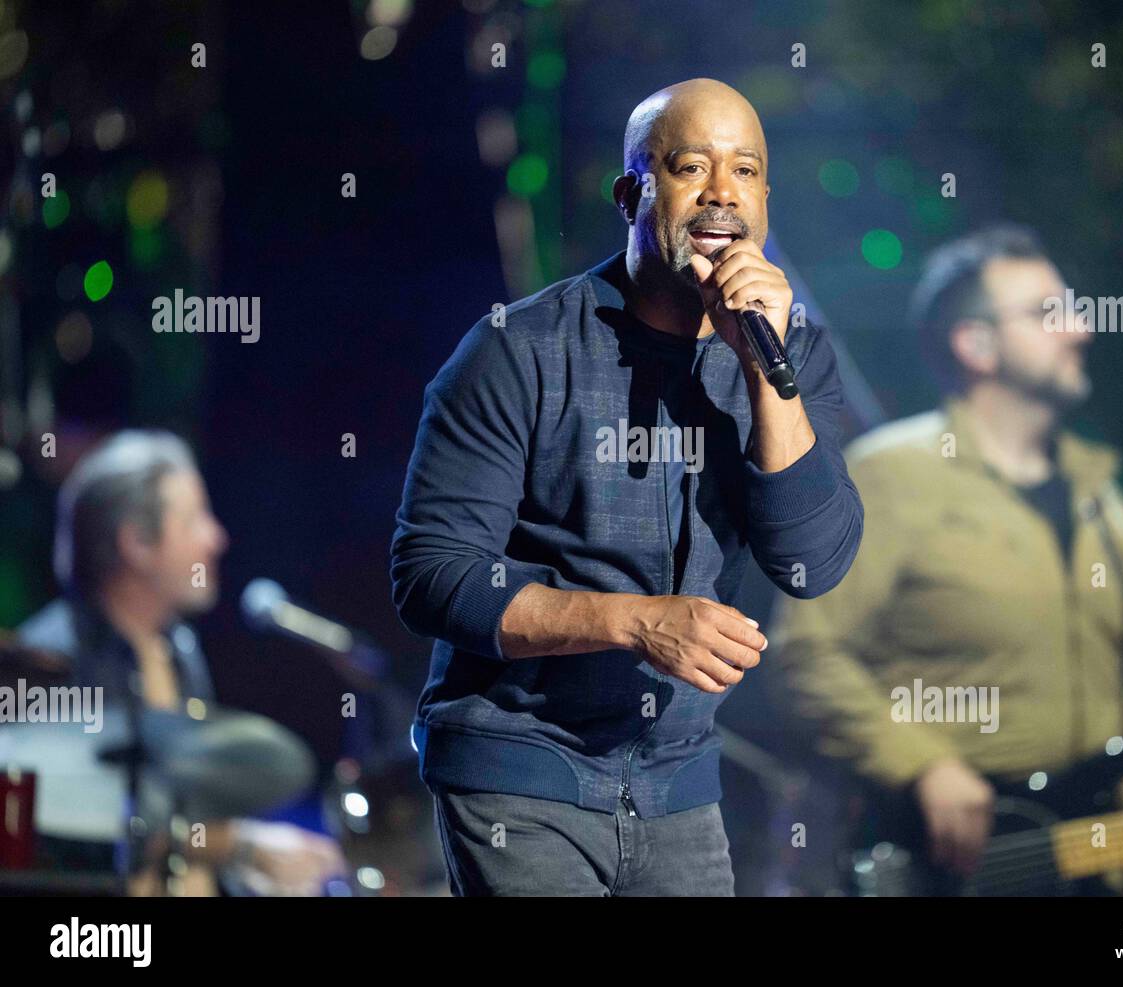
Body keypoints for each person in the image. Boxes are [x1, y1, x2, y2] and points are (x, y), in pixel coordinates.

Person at [391, 78, 864, 896]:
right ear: (631, 193)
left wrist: (764, 374)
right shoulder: (520, 351)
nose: (722, 193)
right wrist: (637, 622)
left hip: (678, 782)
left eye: (746, 172)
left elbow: (811, 563)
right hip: (521, 768)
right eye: (691, 167)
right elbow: (434, 575)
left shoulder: (791, 355)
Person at [770, 224, 1123, 883]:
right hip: (947, 867)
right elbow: (806, 651)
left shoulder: (1113, 514)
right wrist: (920, 762)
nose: (1080, 329)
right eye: (1049, 313)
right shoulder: (891, 475)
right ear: (977, 345)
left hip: (1092, 868)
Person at [18, 430, 344, 895]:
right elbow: (65, 825)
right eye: (194, 520)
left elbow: (188, 810)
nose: (217, 537)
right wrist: (244, 847)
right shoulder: (48, 662)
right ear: (136, 543)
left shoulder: (179, 649)